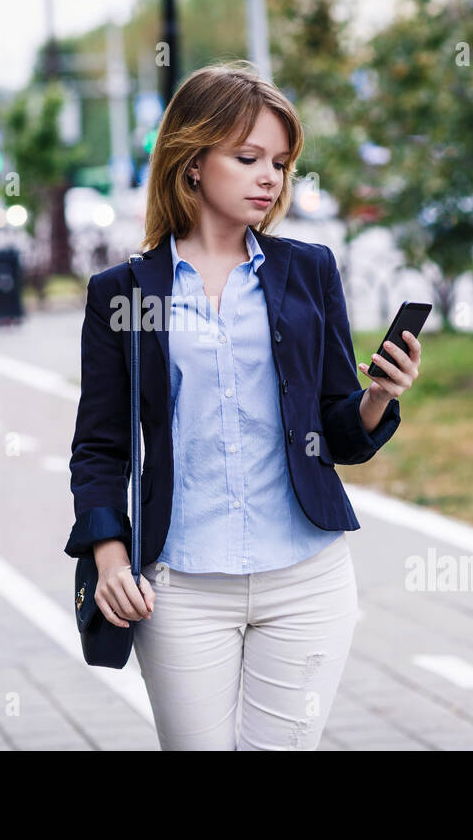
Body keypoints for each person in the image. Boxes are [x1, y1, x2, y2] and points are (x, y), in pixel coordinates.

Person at [64, 60, 422, 750]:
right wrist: (110, 557)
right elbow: (99, 446)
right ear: (193, 162)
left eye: (281, 163)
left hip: (307, 580)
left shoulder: (308, 270)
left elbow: (337, 433)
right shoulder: (123, 292)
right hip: (180, 586)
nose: (270, 177)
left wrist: (378, 395)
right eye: (248, 156)